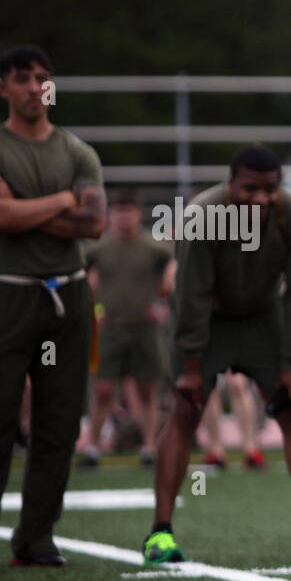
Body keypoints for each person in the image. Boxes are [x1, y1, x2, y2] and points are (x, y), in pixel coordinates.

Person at [142, 145, 291, 564]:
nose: (260, 198)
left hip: (262, 318)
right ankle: (160, 534)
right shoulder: (203, 215)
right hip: (209, 321)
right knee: (185, 410)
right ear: (230, 182)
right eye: (249, 188)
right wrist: (192, 365)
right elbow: (191, 294)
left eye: (270, 189)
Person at [0, 45, 105, 567]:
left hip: (69, 295)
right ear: (4, 88)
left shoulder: (78, 152)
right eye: (22, 78)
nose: (34, 86)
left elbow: (94, 224)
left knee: (59, 423)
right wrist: (63, 200)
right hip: (9, 291)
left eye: (43, 77)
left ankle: (36, 537)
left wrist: (23, 208)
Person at [80, 189, 175, 468]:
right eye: (118, 212)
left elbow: (174, 269)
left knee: (147, 389)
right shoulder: (99, 249)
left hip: (144, 326)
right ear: (111, 215)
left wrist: (165, 306)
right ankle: (93, 447)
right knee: (103, 389)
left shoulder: (154, 248)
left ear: (138, 214)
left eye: (128, 212)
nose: (123, 218)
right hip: (110, 327)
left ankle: (149, 447)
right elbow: (84, 280)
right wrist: (92, 312)